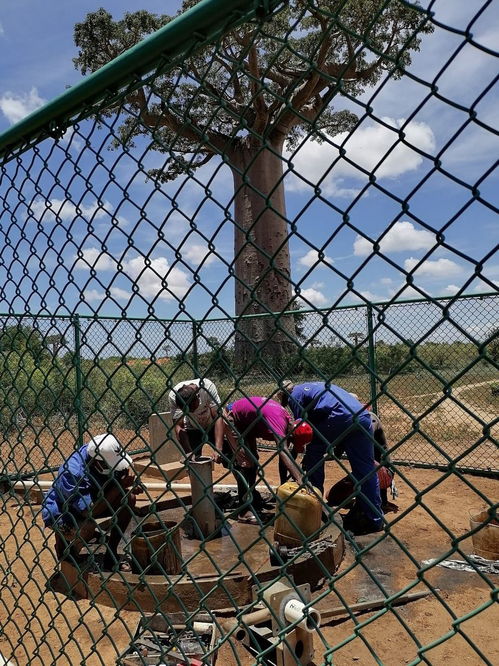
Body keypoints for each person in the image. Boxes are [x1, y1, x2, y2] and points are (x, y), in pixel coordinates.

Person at [280, 382, 383, 535]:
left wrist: (296, 455)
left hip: (340, 417)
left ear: (284, 394)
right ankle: (374, 518)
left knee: (314, 449)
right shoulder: (315, 386)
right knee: (365, 468)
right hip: (362, 416)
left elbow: (301, 429)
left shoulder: (294, 395)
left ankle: (315, 503)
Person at [42, 434, 141, 570]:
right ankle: (67, 549)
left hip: (94, 498)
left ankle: (110, 555)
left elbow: (123, 467)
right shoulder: (72, 473)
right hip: (63, 511)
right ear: (97, 463)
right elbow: (88, 512)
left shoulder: (102, 450)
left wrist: (133, 482)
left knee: (129, 500)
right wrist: (119, 486)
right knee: (87, 527)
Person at [223, 397, 310, 524]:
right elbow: (283, 451)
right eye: (292, 441)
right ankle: (243, 511)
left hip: (247, 425)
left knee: (253, 460)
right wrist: (299, 477)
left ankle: (250, 498)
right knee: (245, 464)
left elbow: (284, 457)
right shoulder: (279, 422)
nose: (291, 443)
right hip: (232, 418)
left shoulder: (289, 425)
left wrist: (285, 481)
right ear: (291, 435)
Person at [168, 378, 224, 462]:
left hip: (212, 425)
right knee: (192, 461)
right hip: (191, 427)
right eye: (186, 411)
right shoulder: (174, 396)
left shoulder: (207, 387)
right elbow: (179, 425)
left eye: (193, 408)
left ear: (198, 397)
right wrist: (188, 451)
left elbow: (218, 416)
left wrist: (218, 448)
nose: (191, 411)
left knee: (227, 456)